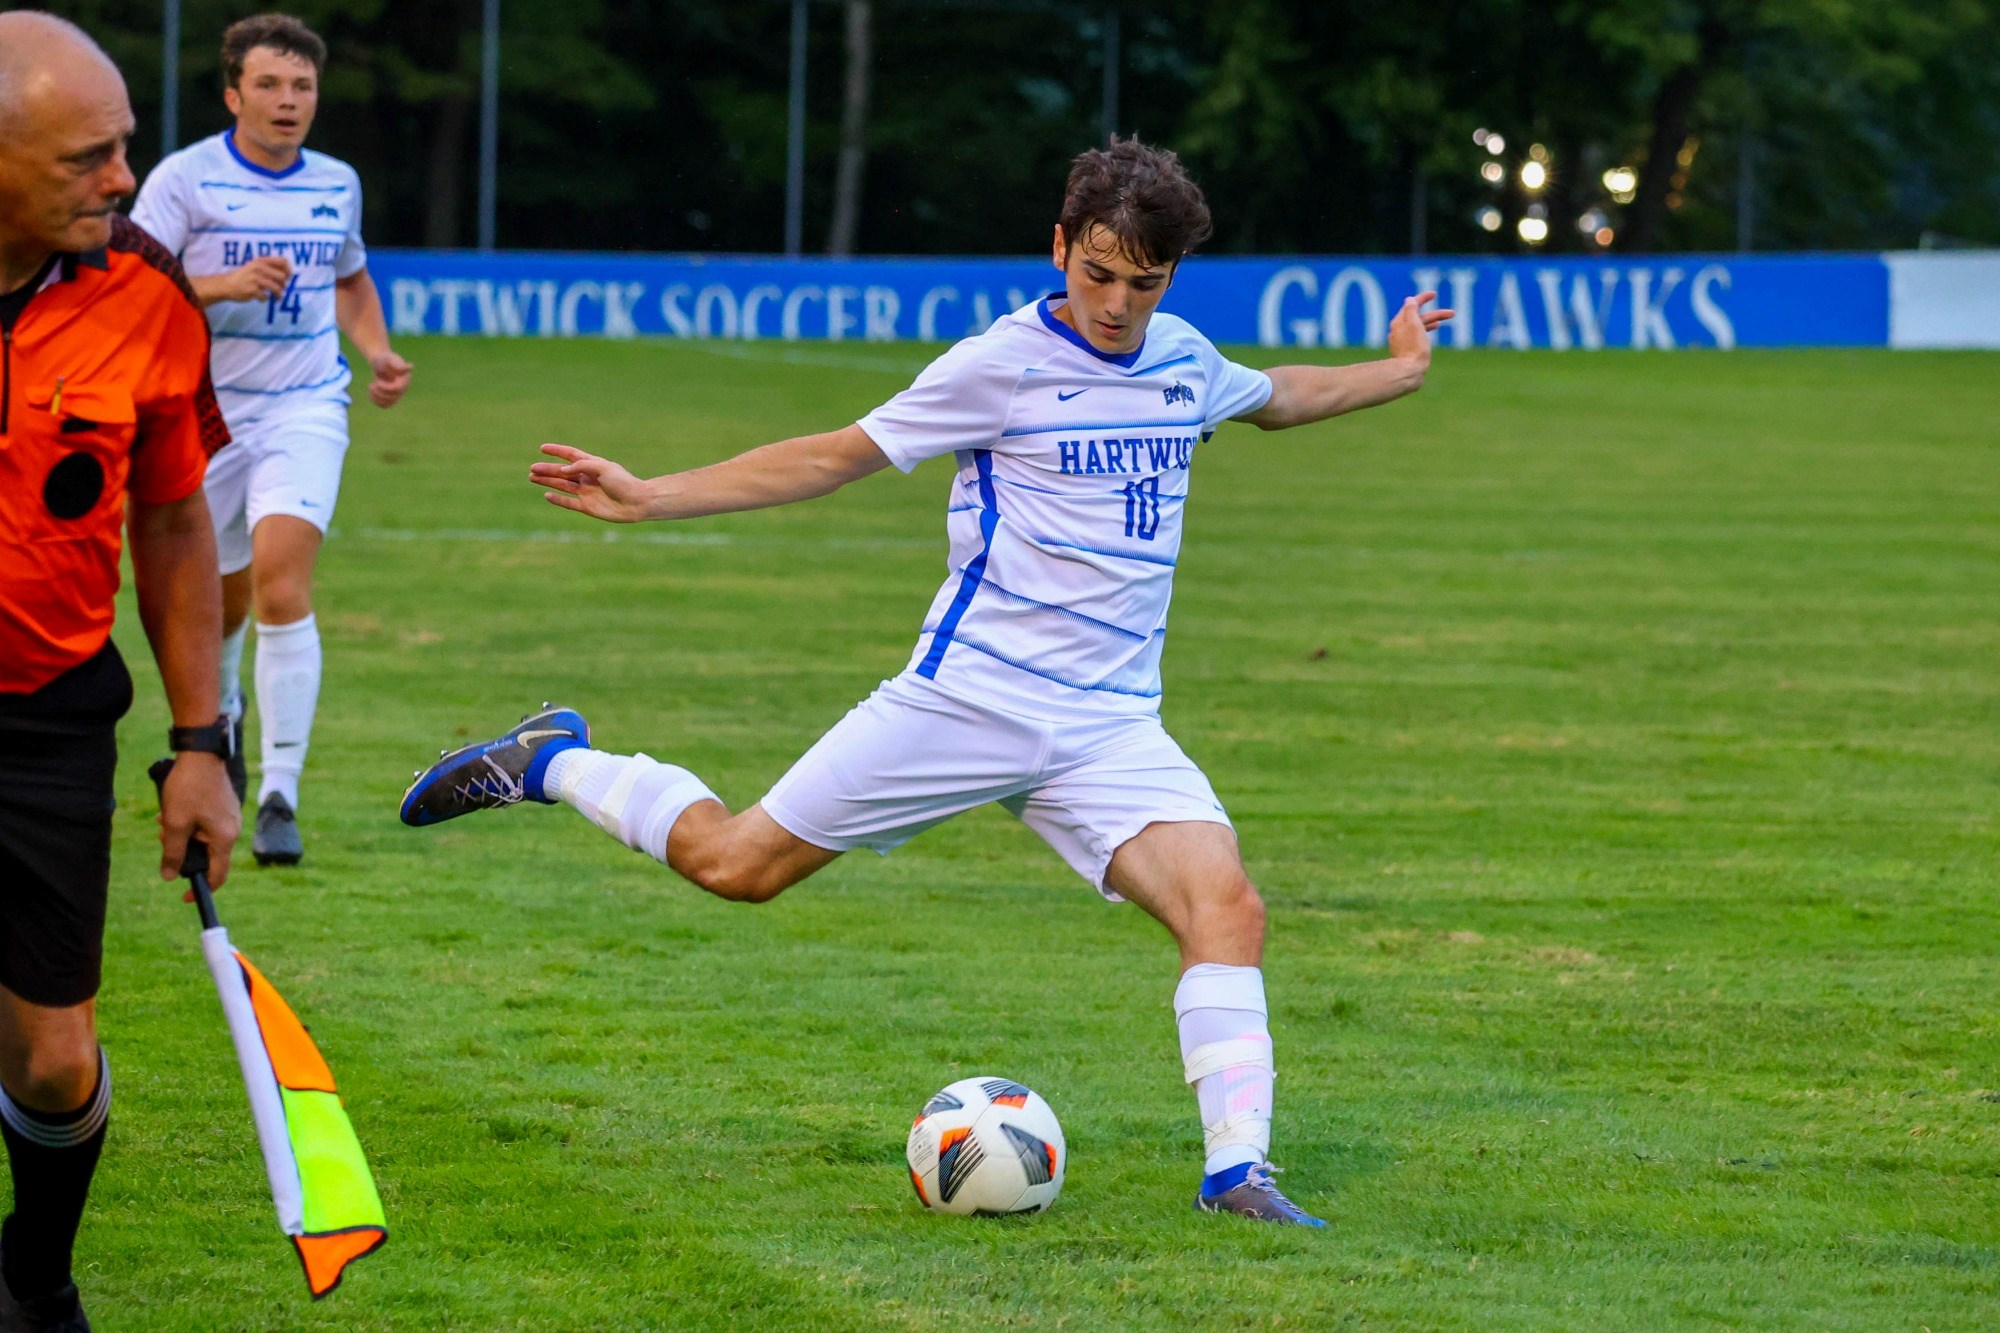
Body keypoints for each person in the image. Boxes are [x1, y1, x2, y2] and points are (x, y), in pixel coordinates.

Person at [399, 138, 1451, 1226]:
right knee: (735, 865)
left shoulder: (1180, 359)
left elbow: (1276, 396)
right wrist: (653, 494)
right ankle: (555, 760)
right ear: (1058, 247)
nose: (1115, 303)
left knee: (1224, 905)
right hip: (966, 699)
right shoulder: (998, 363)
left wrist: (1402, 370)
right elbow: (834, 454)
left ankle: (1237, 1172)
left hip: (1107, 726)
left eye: (1142, 282)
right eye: (1095, 273)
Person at [0, 13, 241, 1328]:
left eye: (126, 150)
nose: (120, 182)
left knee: (50, 1062)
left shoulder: (144, 293)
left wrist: (200, 747)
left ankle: (33, 1280)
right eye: (87, 158)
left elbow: (171, 519)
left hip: (47, 722)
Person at [131, 12, 412, 868]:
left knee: (284, 585)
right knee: (220, 602)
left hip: (303, 405)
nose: (288, 101)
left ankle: (281, 796)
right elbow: (132, 284)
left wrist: (376, 350)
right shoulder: (186, 179)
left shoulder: (336, 182)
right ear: (232, 94)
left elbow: (351, 278)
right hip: (200, 411)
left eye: (302, 87)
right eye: (270, 85)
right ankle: (219, 719)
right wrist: (219, 283)